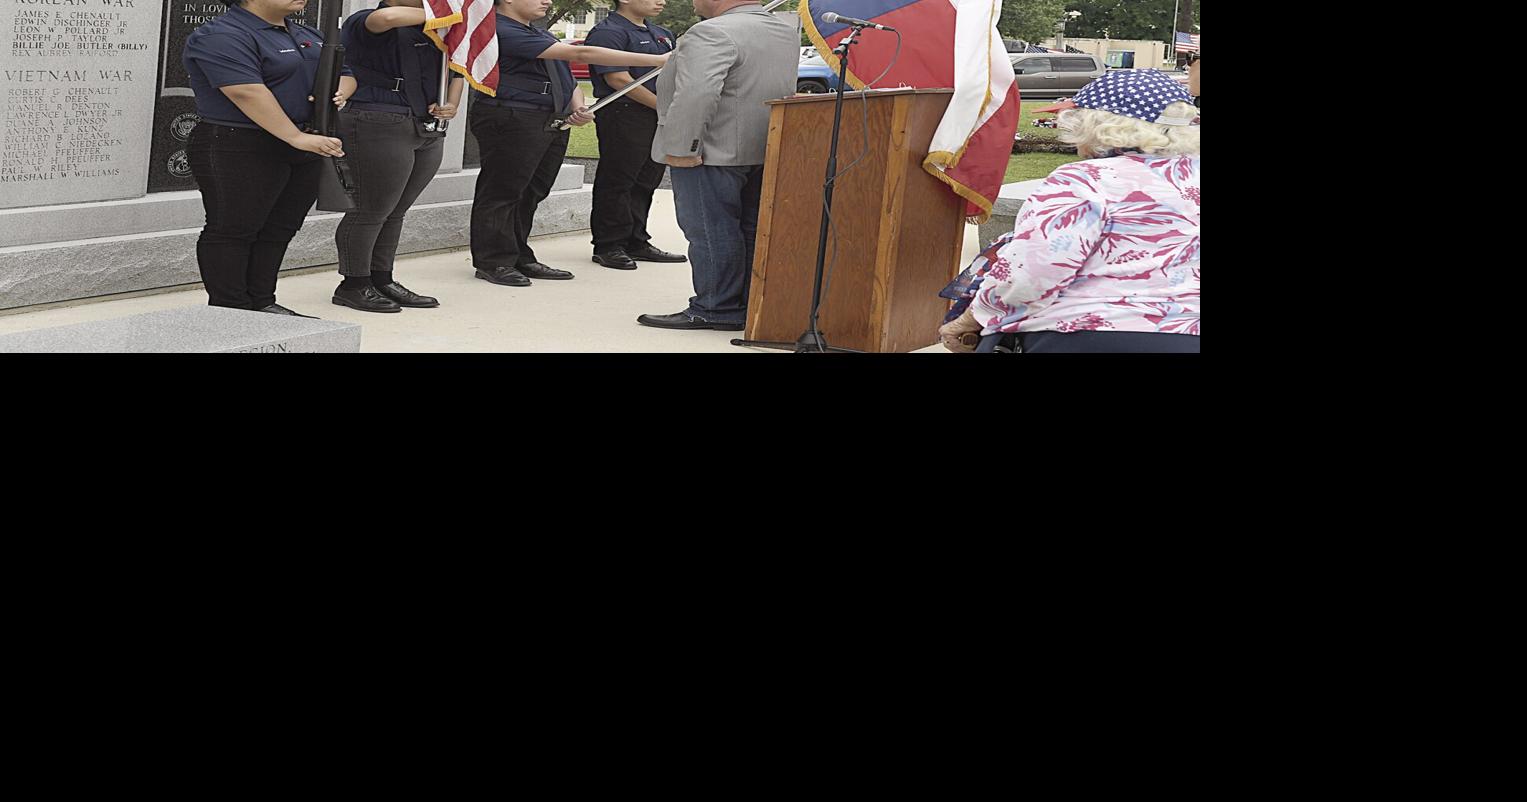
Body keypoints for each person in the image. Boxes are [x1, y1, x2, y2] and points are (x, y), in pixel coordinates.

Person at [938, 69, 1200, 354]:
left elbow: (1030, 275)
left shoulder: (1082, 179)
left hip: (1087, 335)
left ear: (1101, 126)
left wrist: (971, 318)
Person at [469, 0, 670, 288]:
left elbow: (567, 77)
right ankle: (494, 260)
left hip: (550, 117)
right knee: (504, 190)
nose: (547, 1)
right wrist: (658, 60)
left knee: (532, 190)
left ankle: (519, 255)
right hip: (513, 115)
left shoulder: (540, 33)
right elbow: (580, 52)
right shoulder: (500, 29)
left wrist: (578, 106)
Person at [183, 0, 354, 317]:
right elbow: (246, 91)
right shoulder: (221, 34)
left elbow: (345, 72)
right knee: (234, 230)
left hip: (305, 142)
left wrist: (341, 89)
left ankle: (262, 303)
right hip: (240, 143)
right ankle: (230, 312)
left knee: (279, 228)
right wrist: (296, 137)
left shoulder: (306, 33)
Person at [635, 0, 797, 331]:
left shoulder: (711, 31)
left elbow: (697, 93)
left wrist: (683, 147)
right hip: (764, 146)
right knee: (749, 229)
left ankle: (715, 307)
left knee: (710, 230)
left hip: (710, 150)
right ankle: (747, 302)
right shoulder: (784, 30)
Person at [329, 0, 465, 313]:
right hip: (379, 118)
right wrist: (457, 16)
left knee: (396, 210)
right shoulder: (369, 19)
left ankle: (381, 278)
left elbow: (457, 69)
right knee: (371, 208)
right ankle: (353, 283)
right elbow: (387, 17)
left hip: (425, 124)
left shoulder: (440, 28)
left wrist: (452, 103)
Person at [583, 0, 687, 271]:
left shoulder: (661, 33)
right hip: (624, 112)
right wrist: (662, 107)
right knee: (618, 179)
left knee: (647, 178)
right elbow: (618, 79)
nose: (661, 2)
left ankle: (635, 240)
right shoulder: (609, 32)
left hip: (657, 114)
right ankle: (609, 245)